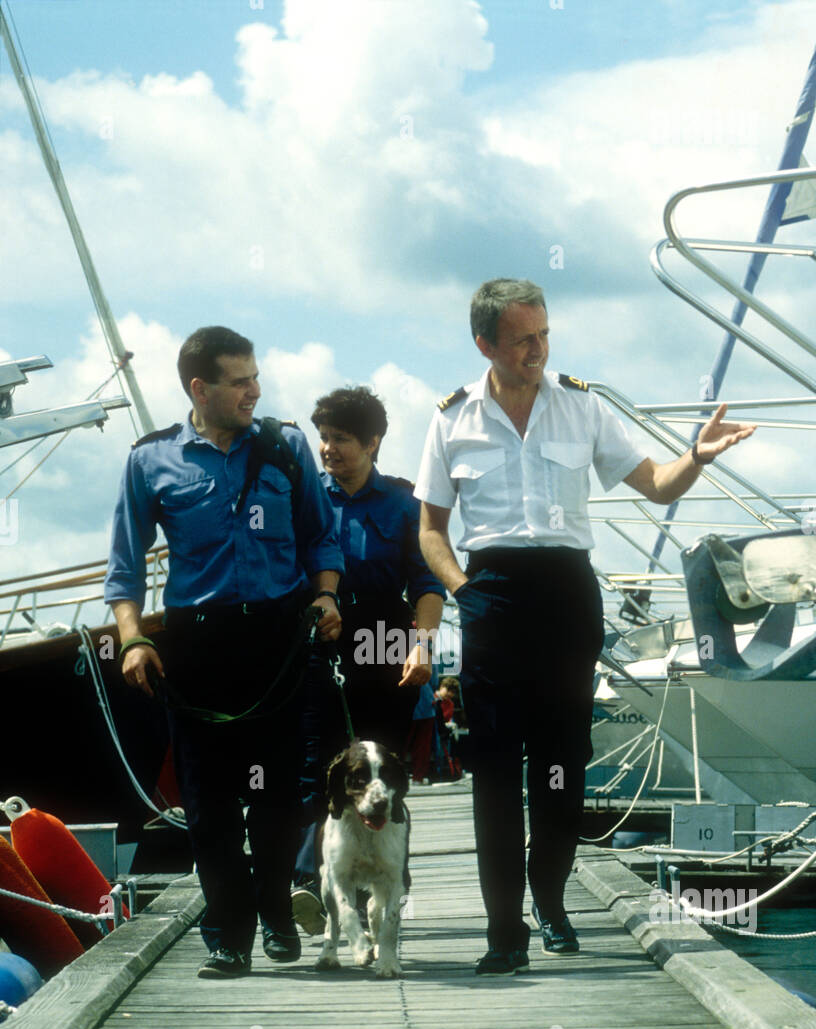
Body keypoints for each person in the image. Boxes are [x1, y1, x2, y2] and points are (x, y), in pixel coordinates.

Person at [416, 277, 755, 975]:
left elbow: (656, 484)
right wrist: (462, 590)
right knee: (492, 771)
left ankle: (551, 898)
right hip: (494, 595)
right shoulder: (452, 420)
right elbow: (430, 531)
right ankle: (503, 930)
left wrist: (696, 455)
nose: (539, 348)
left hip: (568, 593)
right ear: (486, 344)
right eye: (523, 339)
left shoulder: (582, 408)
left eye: (544, 334)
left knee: (564, 763)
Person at [104, 325, 343, 978]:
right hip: (198, 646)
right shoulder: (150, 461)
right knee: (209, 805)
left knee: (276, 799)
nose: (254, 391)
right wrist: (132, 640)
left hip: (277, 640)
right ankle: (228, 934)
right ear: (199, 388)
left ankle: (274, 910)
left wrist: (325, 598)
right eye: (240, 381)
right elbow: (124, 573)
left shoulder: (286, 447)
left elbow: (322, 539)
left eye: (256, 377)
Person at [292, 385, 445, 932]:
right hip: (323, 638)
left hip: (384, 642)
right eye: (324, 438)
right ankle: (313, 884)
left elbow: (427, 585)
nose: (328, 449)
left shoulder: (405, 505)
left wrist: (423, 647)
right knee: (317, 768)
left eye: (341, 439)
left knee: (384, 774)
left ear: (373, 442)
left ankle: (387, 881)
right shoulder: (304, 496)